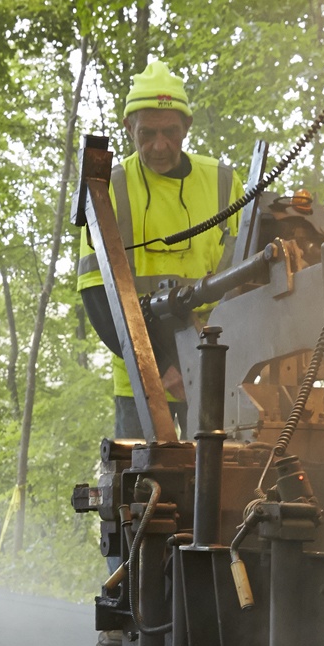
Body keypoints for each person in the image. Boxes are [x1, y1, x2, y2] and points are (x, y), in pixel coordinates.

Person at [77, 59, 244, 439]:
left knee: (228, 470)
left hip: (216, 368)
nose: (159, 145)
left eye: (170, 132)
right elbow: (97, 297)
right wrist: (164, 366)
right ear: (128, 128)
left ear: (187, 127)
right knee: (145, 473)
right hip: (142, 378)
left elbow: (248, 277)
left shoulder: (223, 181)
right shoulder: (107, 190)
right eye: (147, 133)